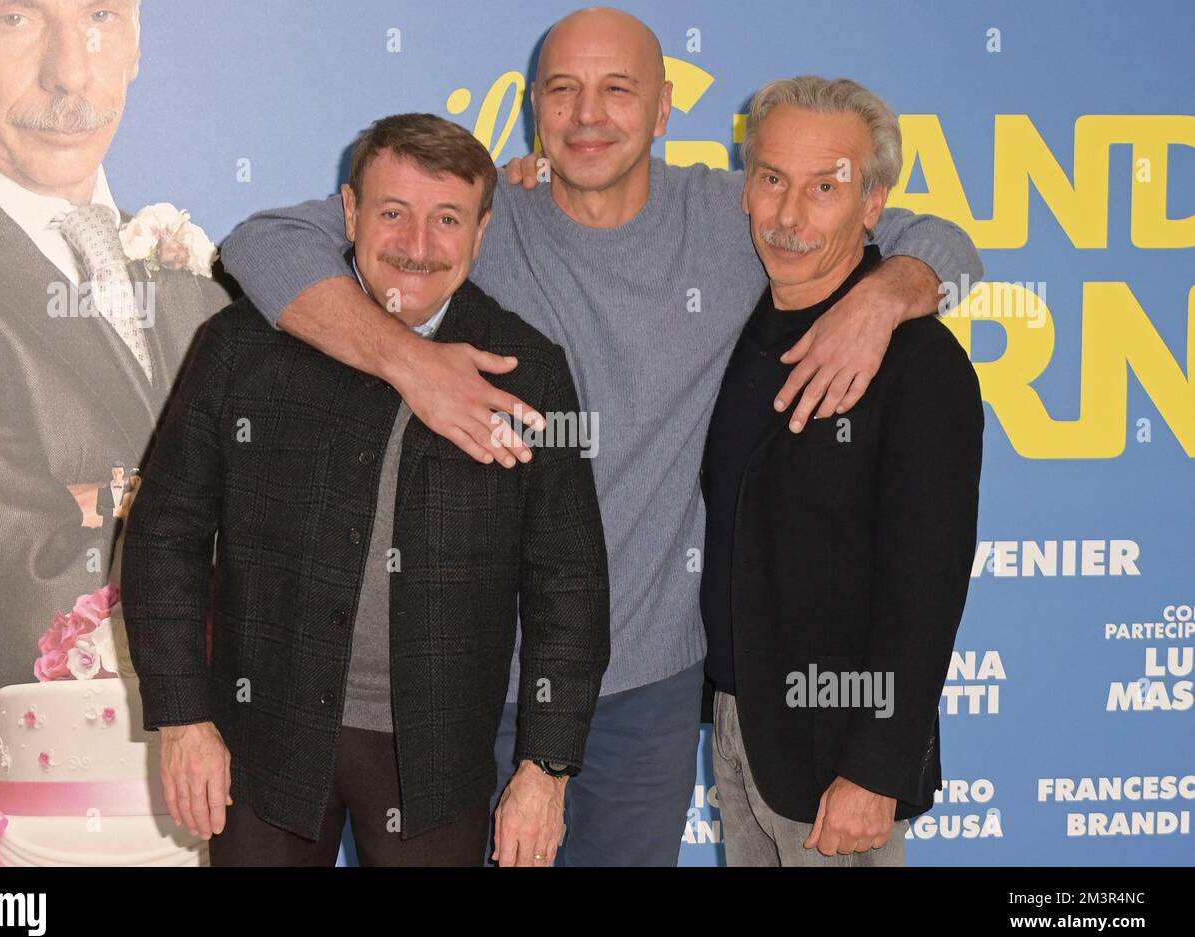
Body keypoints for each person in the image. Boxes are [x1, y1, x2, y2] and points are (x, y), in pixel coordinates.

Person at [219, 7, 983, 866]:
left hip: (642, 685)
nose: (589, 115)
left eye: (618, 90)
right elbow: (262, 243)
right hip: (458, 677)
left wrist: (887, 297)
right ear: (532, 106)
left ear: (663, 112)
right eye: (563, 90)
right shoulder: (473, 217)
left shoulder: (742, 219)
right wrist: (411, 363)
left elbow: (935, 240)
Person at [122, 114, 611, 867]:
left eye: (447, 219)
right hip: (265, 744)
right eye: (394, 213)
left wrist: (546, 770)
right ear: (349, 213)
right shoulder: (244, 345)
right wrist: (185, 719)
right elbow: (165, 532)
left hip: (437, 763)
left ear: (482, 233)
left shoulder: (529, 376)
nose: (417, 246)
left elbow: (568, 586)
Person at [0, 0, 232, 864]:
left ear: (139, 37)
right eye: (14, 17)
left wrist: (106, 501)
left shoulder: (191, 270)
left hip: (198, 799)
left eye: (98, 16)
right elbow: (21, 577)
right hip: (0, 814)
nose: (71, 71)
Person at [701, 76, 983, 866]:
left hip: (838, 755)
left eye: (827, 187)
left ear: (873, 206)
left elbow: (926, 587)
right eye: (773, 180)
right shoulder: (739, 324)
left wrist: (876, 769)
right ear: (745, 186)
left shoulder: (920, 364)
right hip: (738, 724)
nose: (791, 217)